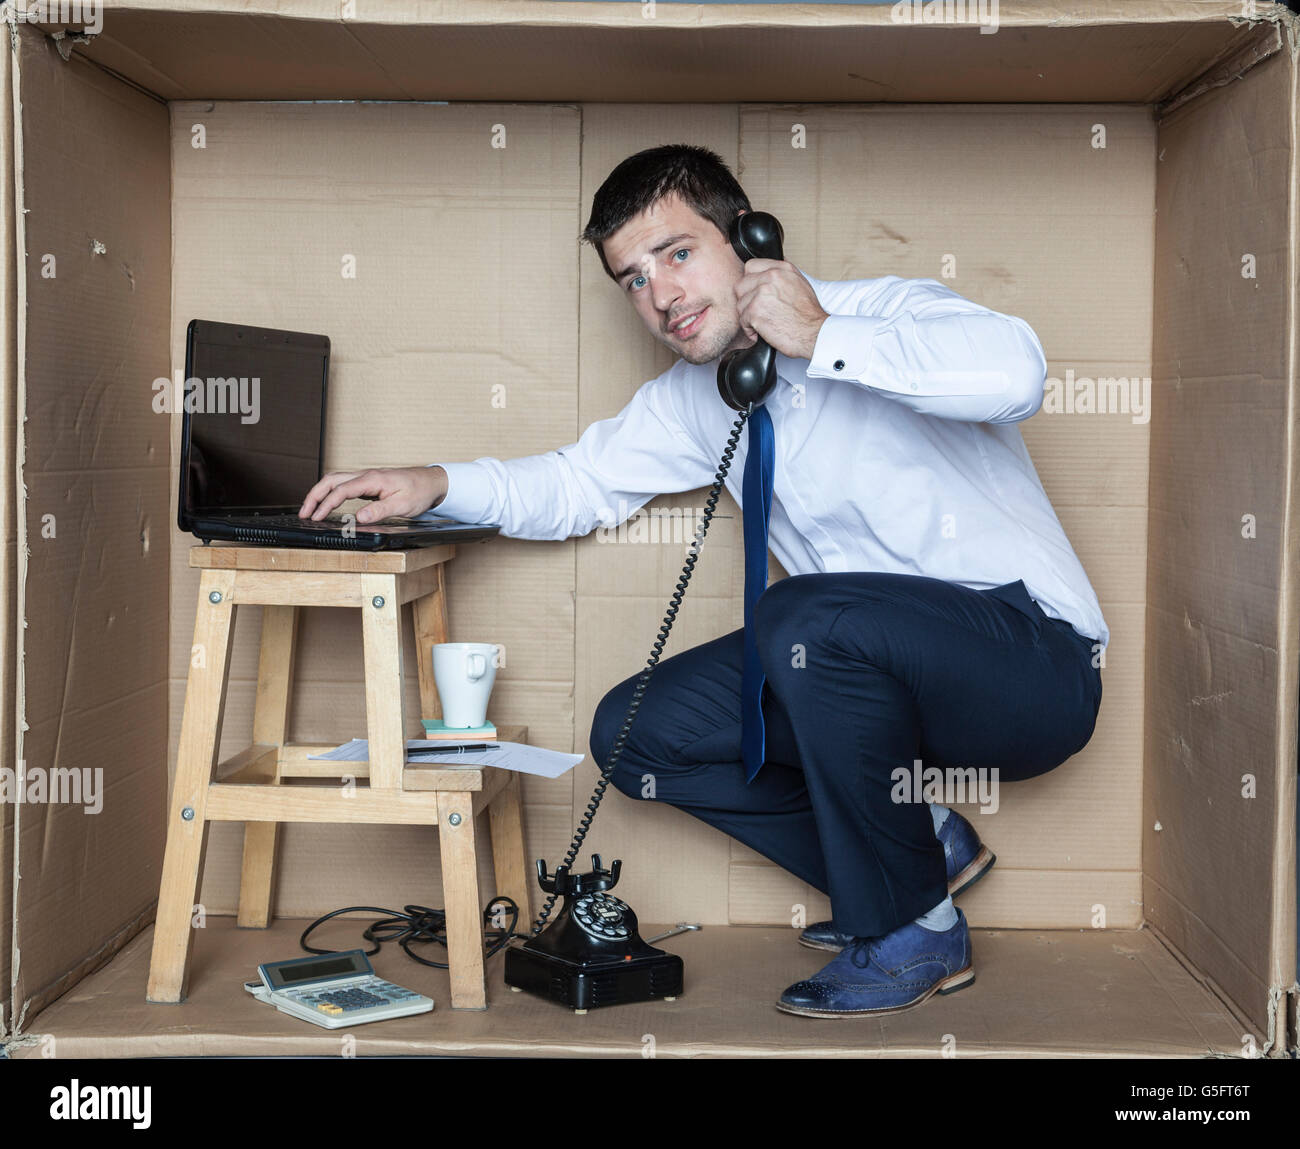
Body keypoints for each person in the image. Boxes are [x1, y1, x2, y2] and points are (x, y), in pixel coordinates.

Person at [297, 143, 1105, 1019]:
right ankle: (921, 854)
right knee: (636, 731)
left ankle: (914, 928)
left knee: (799, 617)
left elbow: (1017, 375)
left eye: (677, 254)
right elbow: (577, 483)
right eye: (633, 279)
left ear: (748, 238)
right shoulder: (700, 396)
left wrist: (822, 336)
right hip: (859, 675)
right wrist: (437, 483)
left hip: (1034, 667)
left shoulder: (885, 310)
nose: (662, 296)